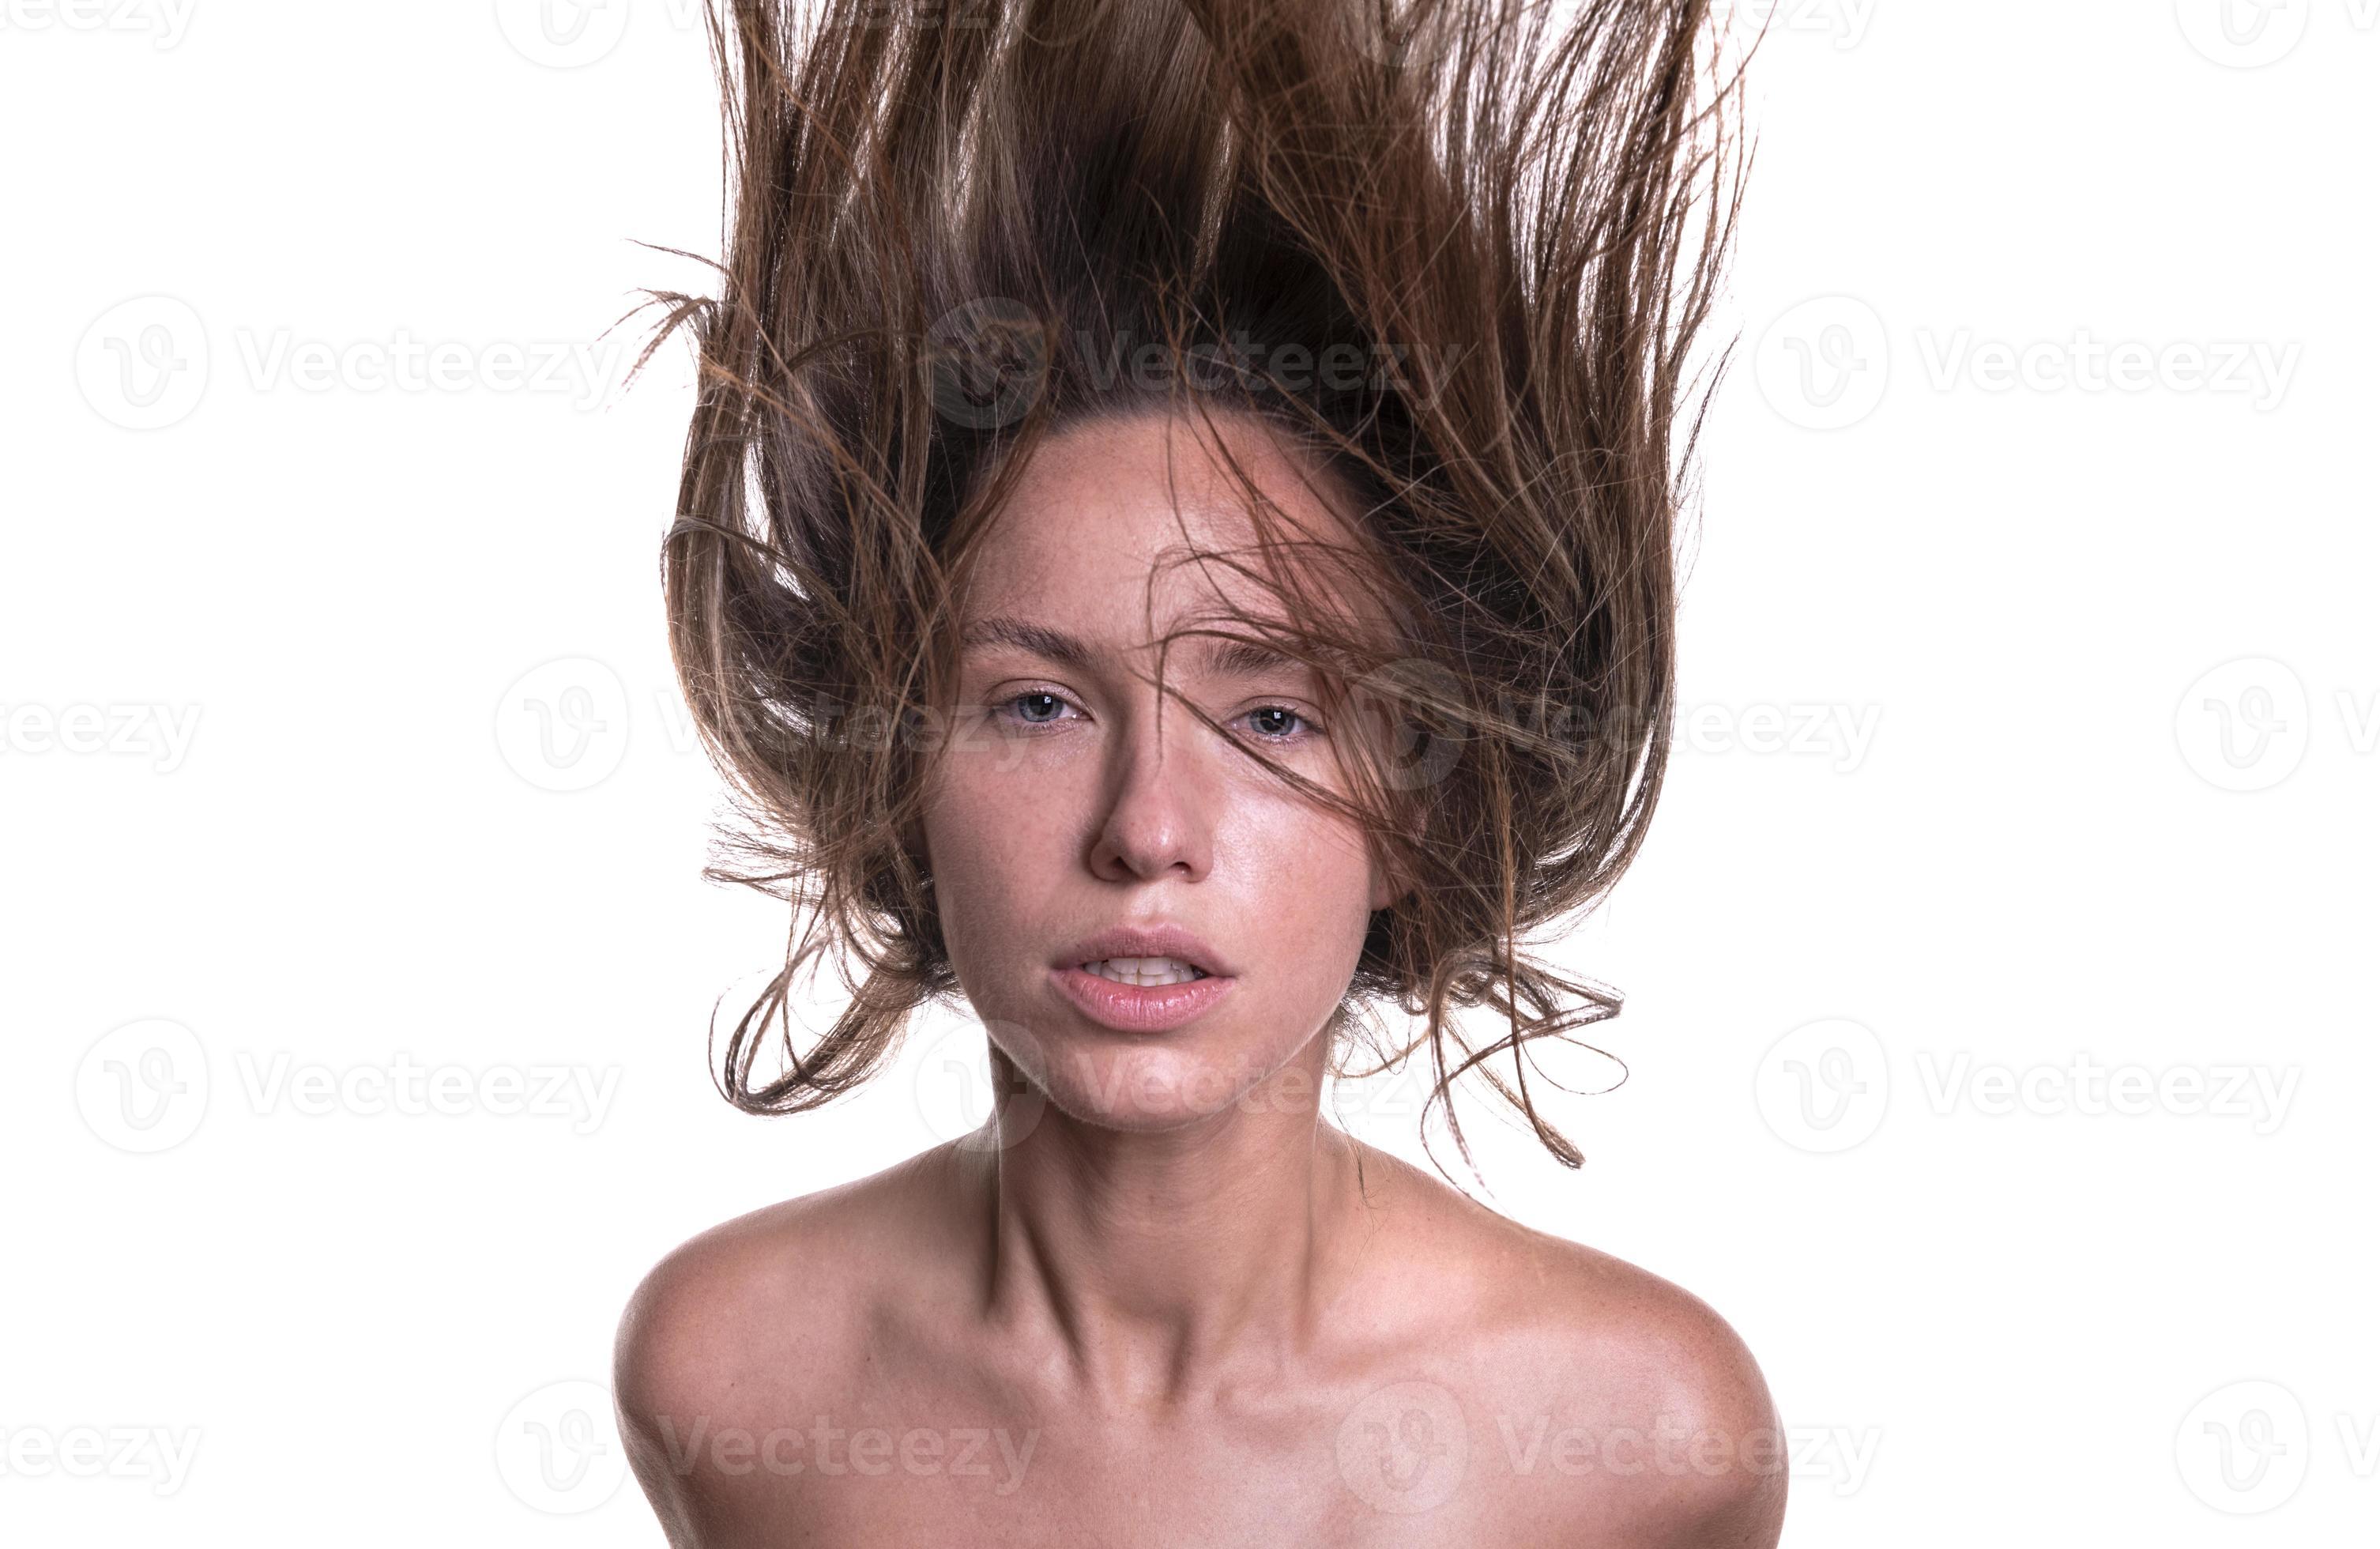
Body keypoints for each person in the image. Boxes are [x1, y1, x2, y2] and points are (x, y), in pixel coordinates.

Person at [617, 0, 1782, 1542]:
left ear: (1421, 793)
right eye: (1036, 702)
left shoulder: (1641, 1437)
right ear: (901, 766)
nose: (1145, 830)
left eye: (1271, 718)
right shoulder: (730, 1374)